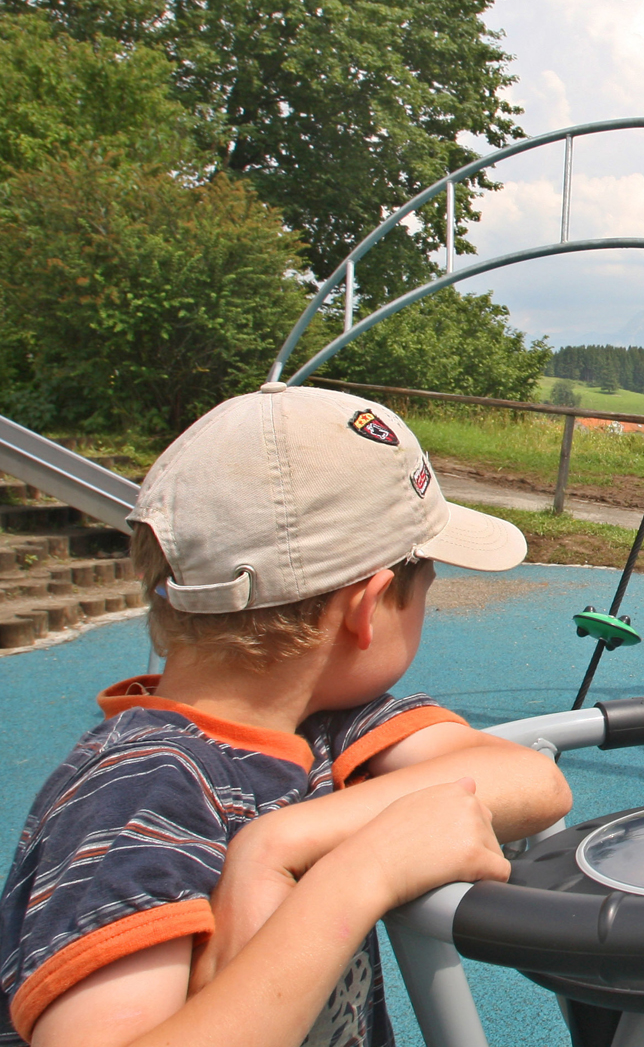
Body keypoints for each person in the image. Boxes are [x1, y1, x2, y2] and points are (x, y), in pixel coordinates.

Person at [0, 384, 573, 1047]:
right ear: (366, 609)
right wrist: (363, 873)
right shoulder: (137, 793)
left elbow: (532, 780)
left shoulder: (324, 725)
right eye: (428, 587)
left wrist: (276, 843)